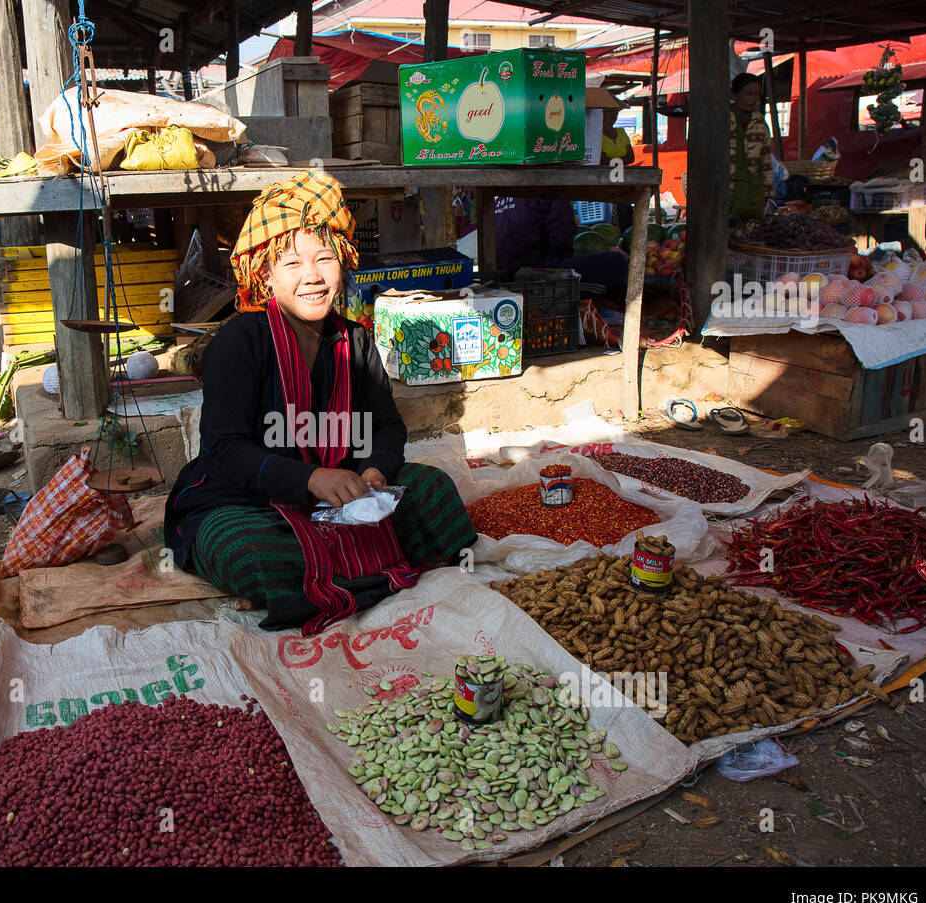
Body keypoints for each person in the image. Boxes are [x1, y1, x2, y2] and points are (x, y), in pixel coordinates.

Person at [164, 170, 476, 635]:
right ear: (266, 275)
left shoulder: (356, 340)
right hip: (251, 501)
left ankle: (311, 581)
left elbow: (387, 427)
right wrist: (311, 478)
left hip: (345, 491)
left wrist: (375, 472)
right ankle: (359, 567)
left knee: (434, 491)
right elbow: (226, 451)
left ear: (344, 263)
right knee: (241, 548)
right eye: (291, 264)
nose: (312, 277)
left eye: (324, 259)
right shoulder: (238, 343)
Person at [493, 197, 630, 300]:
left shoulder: (503, 197)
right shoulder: (548, 188)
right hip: (531, 278)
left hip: (501, 277)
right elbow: (562, 238)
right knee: (617, 261)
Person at [729, 72, 773, 224]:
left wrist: (768, 191)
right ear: (734, 95)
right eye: (748, 94)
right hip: (724, 190)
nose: (753, 99)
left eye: (756, 94)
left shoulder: (760, 124)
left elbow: (766, 160)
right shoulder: (722, 119)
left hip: (751, 192)